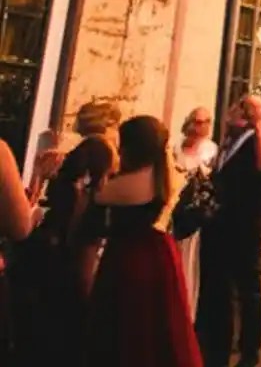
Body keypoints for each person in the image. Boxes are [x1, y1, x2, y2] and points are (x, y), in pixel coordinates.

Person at [85, 115, 201, 364]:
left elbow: (91, 200)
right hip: (158, 254)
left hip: (129, 258)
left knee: (129, 334)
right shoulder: (164, 175)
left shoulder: (125, 184)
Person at [9, 133, 114, 366]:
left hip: (32, 311)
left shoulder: (52, 206)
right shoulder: (93, 213)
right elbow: (84, 278)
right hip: (67, 315)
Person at [197, 95, 261, 367]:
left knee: (248, 286)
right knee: (220, 285)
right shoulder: (230, 142)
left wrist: (258, 122)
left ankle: (250, 347)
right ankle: (218, 340)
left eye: (240, 107)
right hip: (221, 223)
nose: (232, 110)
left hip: (245, 225)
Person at [173, 107, 218, 321]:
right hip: (175, 209)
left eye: (206, 122)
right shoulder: (177, 147)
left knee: (189, 260)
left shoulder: (209, 150)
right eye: (198, 122)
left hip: (193, 213)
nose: (201, 127)